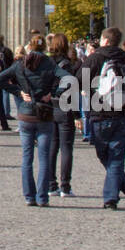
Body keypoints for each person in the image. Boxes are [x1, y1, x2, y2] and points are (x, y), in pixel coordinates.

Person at [0, 43, 67, 206]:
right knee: (44, 157)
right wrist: (53, 93)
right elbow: (69, 79)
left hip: (26, 114)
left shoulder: (20, 65)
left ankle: (29, 196)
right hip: (44, 114)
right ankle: (42, 197)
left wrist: (18, 92)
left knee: (27, 157)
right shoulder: (50, 64)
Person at [78, 27, 125, 210]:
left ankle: (112, 197)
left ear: (105, 40)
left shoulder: (96, 58)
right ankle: (124, 187)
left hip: (100, 114)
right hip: (122, 114)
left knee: (105, 155)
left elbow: (78, 79)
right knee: (116, 156)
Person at [45, 33, 78, 195]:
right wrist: (78, 115)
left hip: (49, 106)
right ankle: (65, 186)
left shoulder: (46, 63)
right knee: (66, 148)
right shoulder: (67, 65)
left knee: (52, 146)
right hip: (64, 106)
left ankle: (51, 185)